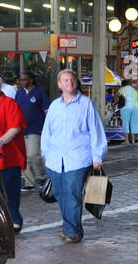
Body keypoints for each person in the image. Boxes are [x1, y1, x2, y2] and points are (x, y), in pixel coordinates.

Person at [42, 69, 107, 243]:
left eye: (72, 80)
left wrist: (97, 155)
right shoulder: (55, 106)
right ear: (59, 84)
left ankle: (73, 231)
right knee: (60, 194)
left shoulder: (86, 104)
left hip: (78, 158)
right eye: (65, 80)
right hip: (55, 159)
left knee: (72, 193)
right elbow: (47, 131)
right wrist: (45, 153)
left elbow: (95, 130)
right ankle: (68, 224)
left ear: (76, 83)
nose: (69, 83)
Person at [0, 73, 26, 233]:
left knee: (9, 188)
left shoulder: (9, 104)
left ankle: (14, 219)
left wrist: (0, 141)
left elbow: (16, 127)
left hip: (8, 154)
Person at [15, 71, 50, 189]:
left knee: (33, 155)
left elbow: (47, 110)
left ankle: (42, 176)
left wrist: (47, 127)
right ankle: (30, 182)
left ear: (31, 80)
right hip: (20, 130)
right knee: (23, 158)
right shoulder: (19, 93)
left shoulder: (39, 92)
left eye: (24, 79)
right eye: (20, 80)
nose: (21, 82)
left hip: (35, 129)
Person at [118, 78, 138, 144]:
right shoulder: (134, 90)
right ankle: (133, 140)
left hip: (126, 107)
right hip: (135, 108)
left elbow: (118, 99)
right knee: (134, 123)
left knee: (126, 122)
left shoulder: (121, 90)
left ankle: (127, 140)